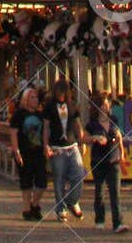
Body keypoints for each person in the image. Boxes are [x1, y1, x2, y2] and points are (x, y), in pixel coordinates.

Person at [42, 79, 86, 222]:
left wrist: (81, 140)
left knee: (79, 175)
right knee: (58, 179)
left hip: (72, 145)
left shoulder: (72, 105)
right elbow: (46, 127)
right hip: (57, 148)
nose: (61, 94)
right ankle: (61, 208)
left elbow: (78, 124)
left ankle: (72, 201)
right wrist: (46, 145)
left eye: (63, 91)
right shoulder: (49, 106)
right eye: (59, 91)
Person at [88, 92, 127, 233]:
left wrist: (122, 153)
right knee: (99, 192)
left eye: (107, 104)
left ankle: (118, 223)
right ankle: (100, 218)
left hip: (113, 158)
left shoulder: (114, 119)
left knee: (115, 192)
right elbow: (84, 138)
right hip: (98, 160)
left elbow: (119, 136)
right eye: (102, 105)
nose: (105, 107)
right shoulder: (92, 123)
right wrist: (95, 138)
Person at [8, 85, 48, 222]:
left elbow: (44, 132)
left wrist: (46, 147)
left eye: (36, 97)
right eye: (32, 97)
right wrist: (16, 150)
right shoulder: (19, 114)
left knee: (42, 182)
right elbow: (13, 132)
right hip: (24, 151)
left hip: (38, 151)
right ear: (26, 99)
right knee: (26, 182)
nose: (35, 100)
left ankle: (35, 204)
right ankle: (27, 209)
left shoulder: (40, 115)